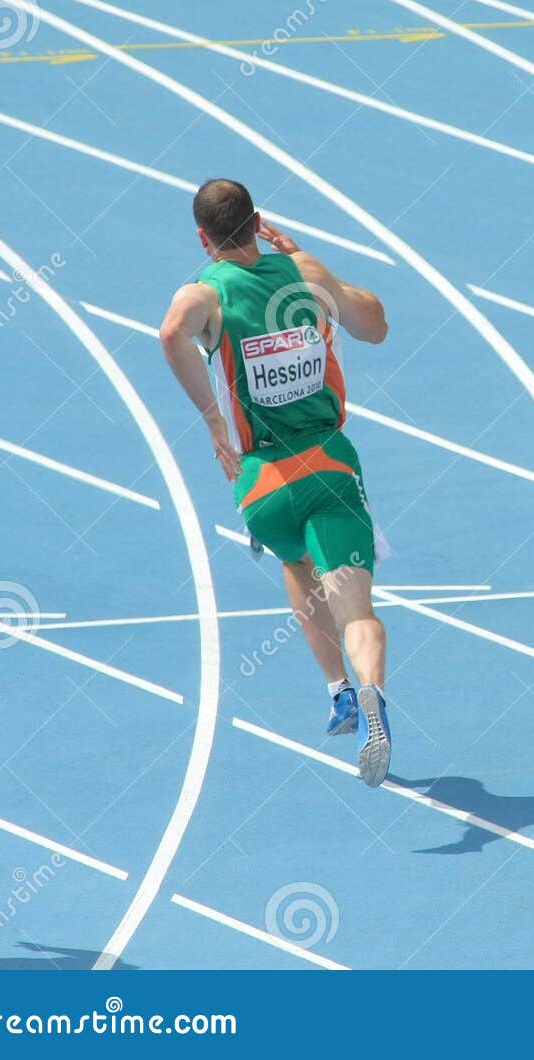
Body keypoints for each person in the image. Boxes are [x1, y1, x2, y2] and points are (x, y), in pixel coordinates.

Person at [159, 178, 396, 783]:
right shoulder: (302, 270)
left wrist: (214, 419)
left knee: (297, 568)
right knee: (357, 608)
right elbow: (375, 325)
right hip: (331, 463)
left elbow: (170, 333)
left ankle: (338, 689)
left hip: (262, 480)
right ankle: (372, 692)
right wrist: (310, 267)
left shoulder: (204, 292)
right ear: (257, 221)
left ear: (202, 238)